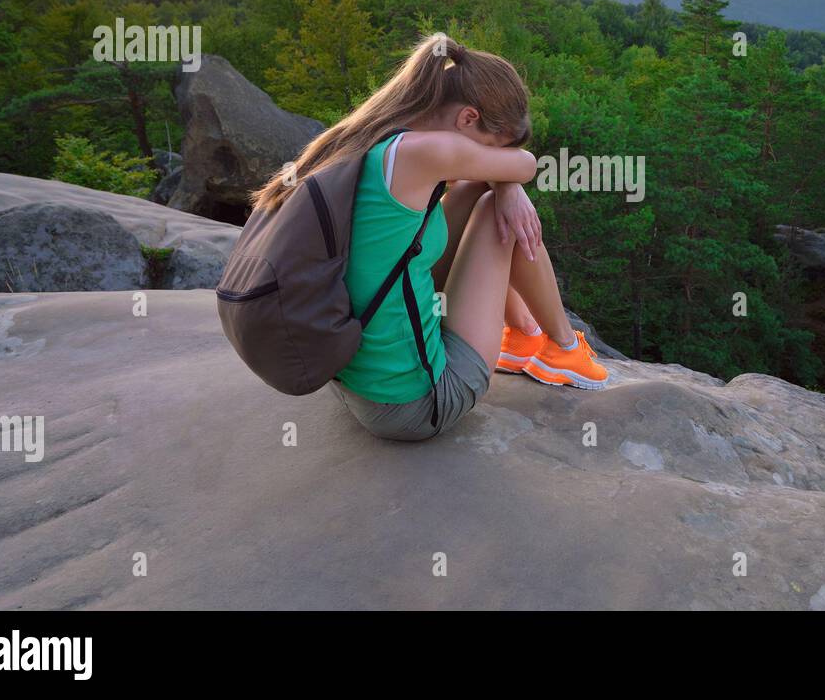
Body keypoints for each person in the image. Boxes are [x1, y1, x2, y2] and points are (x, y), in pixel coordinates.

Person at [253, 33, 608, 441]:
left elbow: (493, 173)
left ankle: (523, 336)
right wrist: (510, 185)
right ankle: (564, 349)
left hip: (357, 383)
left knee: (485, 190)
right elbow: (525, 164)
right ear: (468, 118)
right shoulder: (428, 152)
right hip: (416, 405)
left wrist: (502, 183)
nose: (493, 156)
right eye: (492, 146)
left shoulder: (372, 135)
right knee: (497, 208)